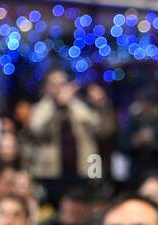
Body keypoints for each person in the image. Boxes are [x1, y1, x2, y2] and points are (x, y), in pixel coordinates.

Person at [28, 69, 103, 205]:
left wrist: (98, 104)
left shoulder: (78, 106)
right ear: (47, 87)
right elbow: (38, 130)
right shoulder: (41, 108)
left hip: (83, 170)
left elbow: (97, 127)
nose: (59, 88)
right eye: (54, 84)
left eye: (63, 84)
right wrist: (58, 106)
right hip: (52, 173)